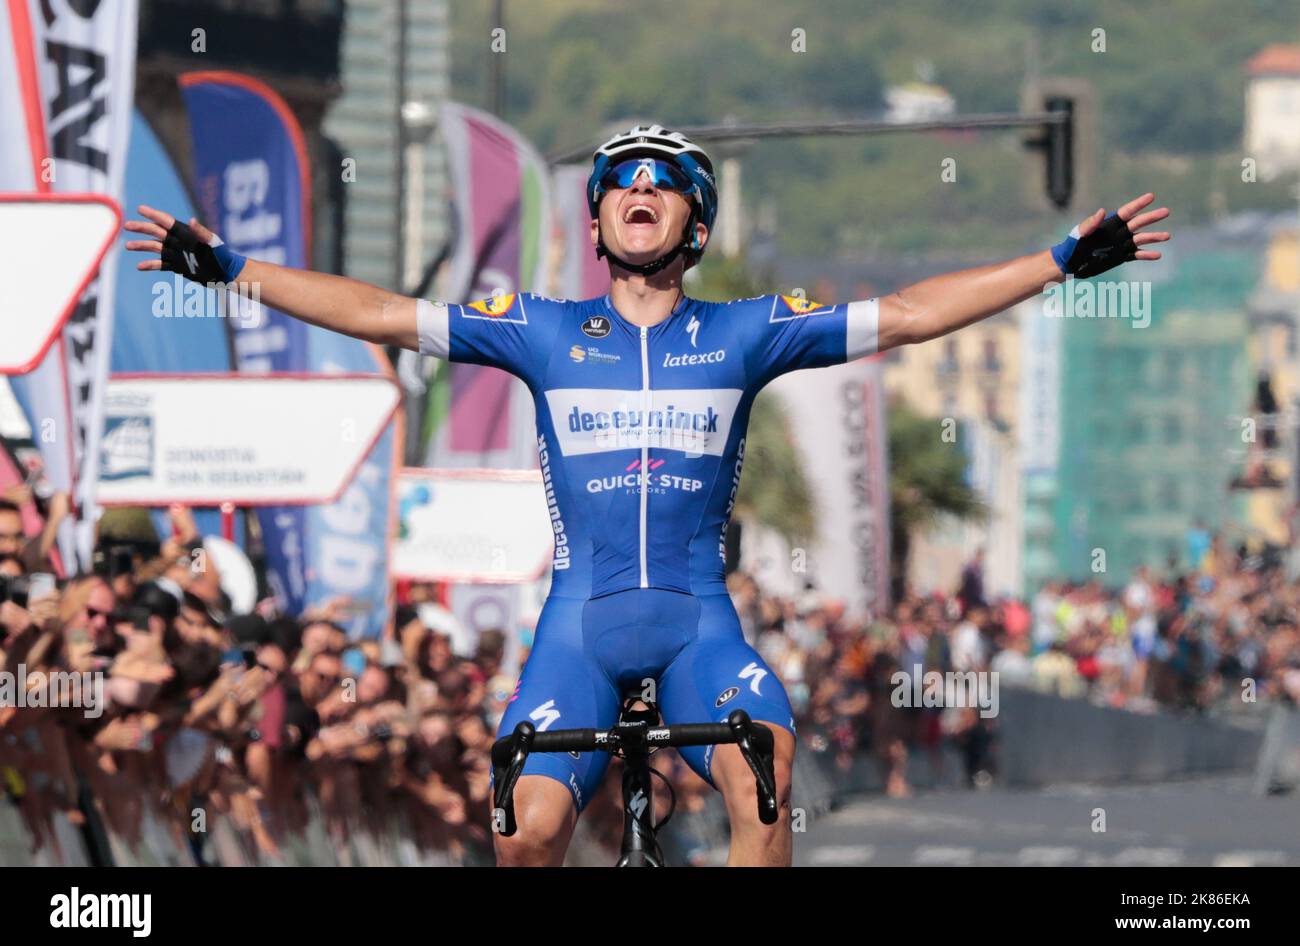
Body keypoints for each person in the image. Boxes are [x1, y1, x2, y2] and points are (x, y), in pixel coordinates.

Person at [124, 122, 1170, 866]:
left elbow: (903, 313)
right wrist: (231, 271)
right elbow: (383, 314)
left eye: (664, 179)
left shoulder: (744, 330)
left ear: (694, 223)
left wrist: (1055, 263)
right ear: (598, 216)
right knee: (523, 831)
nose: (639, 184)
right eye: (622, 174)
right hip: (577, 628)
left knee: (764, 776)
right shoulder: (535, 327)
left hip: (697, 629)